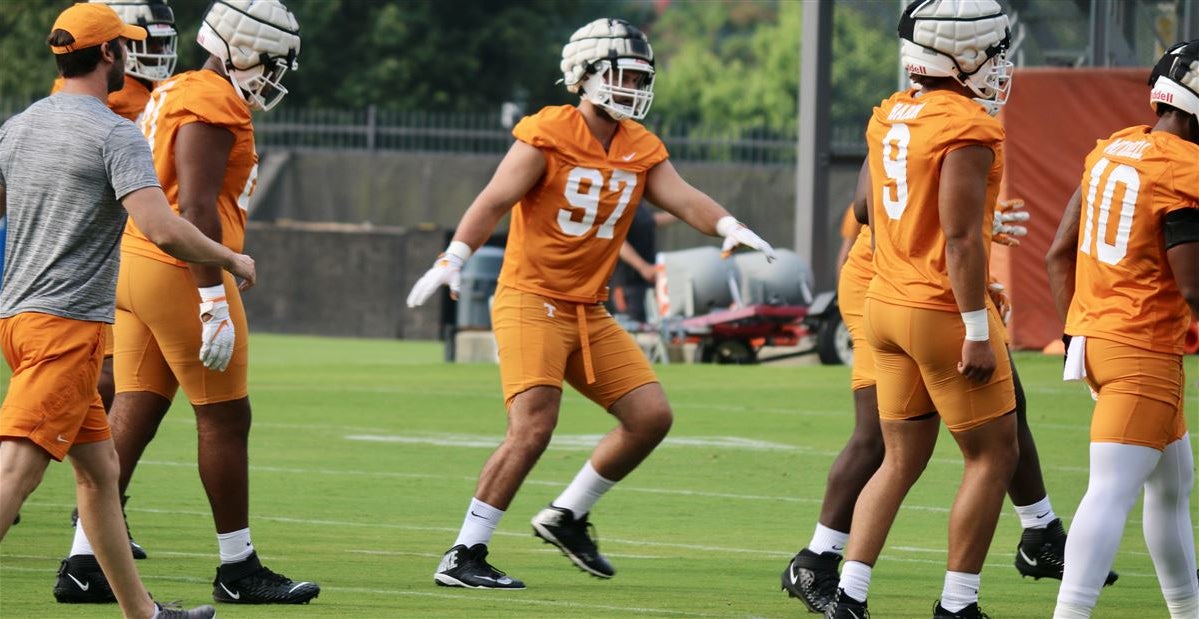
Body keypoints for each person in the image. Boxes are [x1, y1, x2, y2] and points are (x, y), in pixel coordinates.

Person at [406, 17, 775, 589]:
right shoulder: (549, 132)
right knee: (533, 426)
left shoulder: (639, 145)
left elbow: (683, 198)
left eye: (641, 77)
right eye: (624, 75)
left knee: (650, 417)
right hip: (531, 298)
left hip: (587, 308)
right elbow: (494, 199)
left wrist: (728, 225)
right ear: (586, 74)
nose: (634, 87)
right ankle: (464, 553)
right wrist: (453, 256)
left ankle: (567, 514)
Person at [52, 0, 320, 607]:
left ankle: (85, 560)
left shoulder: (176, 87)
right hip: (179, 270)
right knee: (225, 417)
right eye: (272, 61)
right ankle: (238, 567)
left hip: (134, 264)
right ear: (242, 50)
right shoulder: (212, 99)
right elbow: (196, 207)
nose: (275, 75)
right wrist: (212, 298)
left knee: (135, 411)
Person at [0, 4, 257, 617]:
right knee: (15, 473)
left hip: (20, 319)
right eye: (123, 46)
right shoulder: (116, 133)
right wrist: (231, 259)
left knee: (100, 474)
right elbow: (163, 228)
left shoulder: (19, 125)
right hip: (66, 325)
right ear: (108, 54)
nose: (129, 56)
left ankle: (143, 613)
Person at [784, 187, 1116, 615]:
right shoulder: (957, 142)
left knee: (1005, 407)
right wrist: (967, 237)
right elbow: (879, 209)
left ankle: (1040, 530)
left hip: (923, 275)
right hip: (910, 279)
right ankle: (819, 559)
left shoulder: (914, 141)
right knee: (888, 440)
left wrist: (973, 245)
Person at [822, 2, 1018, 617]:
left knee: (900, 459)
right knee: (994, 455)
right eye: (993, 51)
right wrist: (977, 326)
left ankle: (848, 595)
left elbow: (866, 209)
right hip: (937, 311)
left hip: (884, 302)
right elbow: (959, 239)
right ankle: (958, 605)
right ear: (963, 53)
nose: (1000, 64)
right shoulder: (967, 125)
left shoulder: (889, 112)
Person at [1045, 39, 1199, 619]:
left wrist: (1077, 337)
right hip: (1142, 346)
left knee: (1172, 485)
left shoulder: (1112, 150)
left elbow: (1057, 254)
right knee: (1112, 489)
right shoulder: (1183, 168)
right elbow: (1193, 285)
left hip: (1100, 339)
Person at [53, 0, 180, 562]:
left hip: (120, 261)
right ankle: (93, 521)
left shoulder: (160, 96)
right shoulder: (100, 106)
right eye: (133, 42)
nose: (148, 52)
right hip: (91, 266)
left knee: (109, 393)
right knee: (88, 392)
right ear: (107, 49)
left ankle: (99, 524)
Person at [606, 203, 675, 323]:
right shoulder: (618, 205)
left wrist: (683, 213)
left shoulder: (639, 204)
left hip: (647, 282)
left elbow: (649, 221)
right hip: (626, 285)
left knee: (652, 326)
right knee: (631, 328)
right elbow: (618, 241)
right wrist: (643, 267)